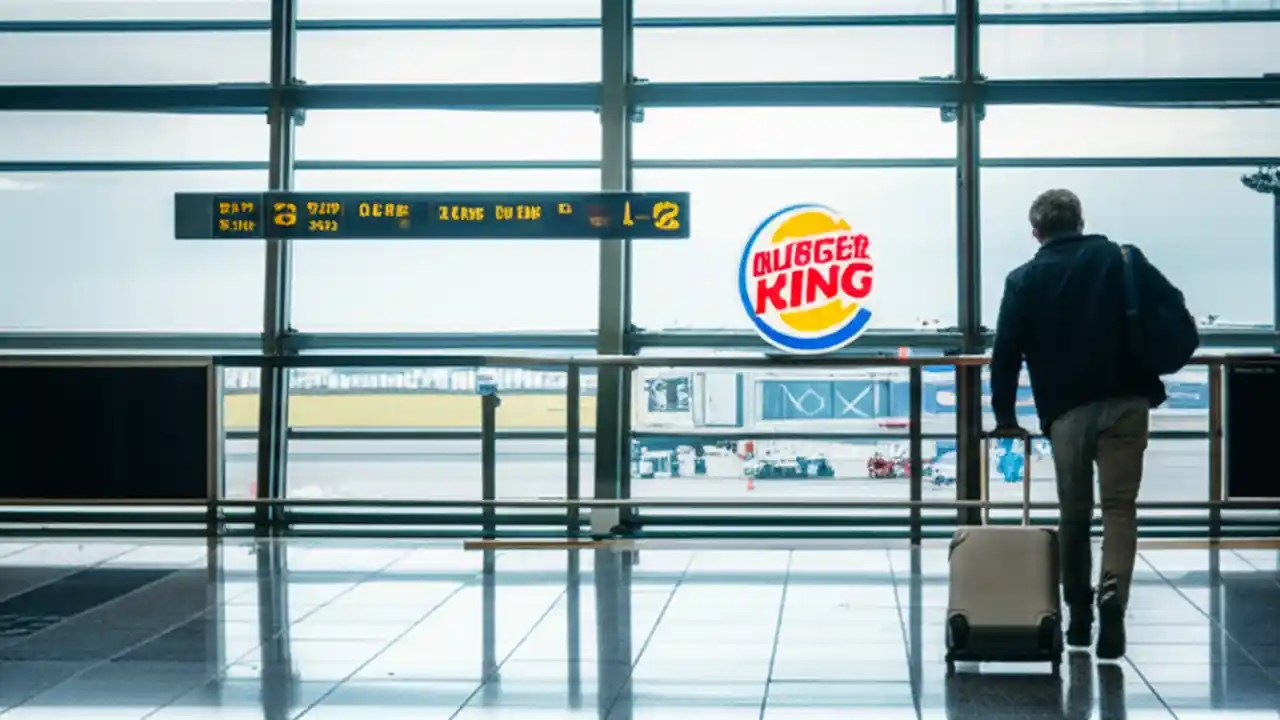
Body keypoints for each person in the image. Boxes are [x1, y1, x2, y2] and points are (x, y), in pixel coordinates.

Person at [990, 189, 1173, 660]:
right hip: (1129, 400)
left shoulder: (1023, 280)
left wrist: (1006, 418)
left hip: (1067, 410)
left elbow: (1006, 353)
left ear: (1037, 232)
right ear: (1080, 220)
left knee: (1074, 513)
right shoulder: (1122, 260)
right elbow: (1173, 310)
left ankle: (1078, 615)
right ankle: (1115, 596)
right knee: (1119, 508)